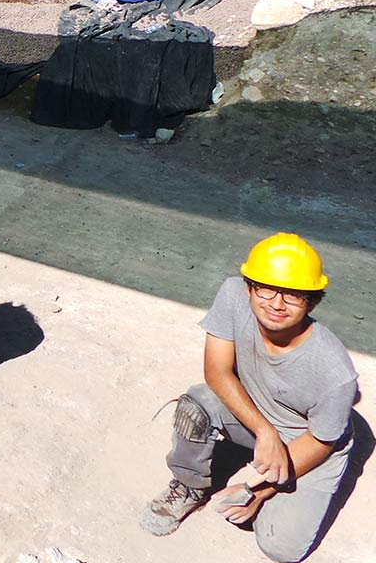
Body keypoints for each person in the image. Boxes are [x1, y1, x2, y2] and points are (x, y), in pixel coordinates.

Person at [141, 233, 358, 563]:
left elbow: (322, 441)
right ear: (248, 288)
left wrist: (258, 491)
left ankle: (273, 479)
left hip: (309, 438)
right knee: (197, 404)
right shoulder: (232, 294)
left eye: (293, 295)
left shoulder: (334, 372)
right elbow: (216, 370)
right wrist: (265, 431)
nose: (275, 303)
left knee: (280, 547)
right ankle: (189, 485)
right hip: (260, 412)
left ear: (312, 302)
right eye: (265, 288)